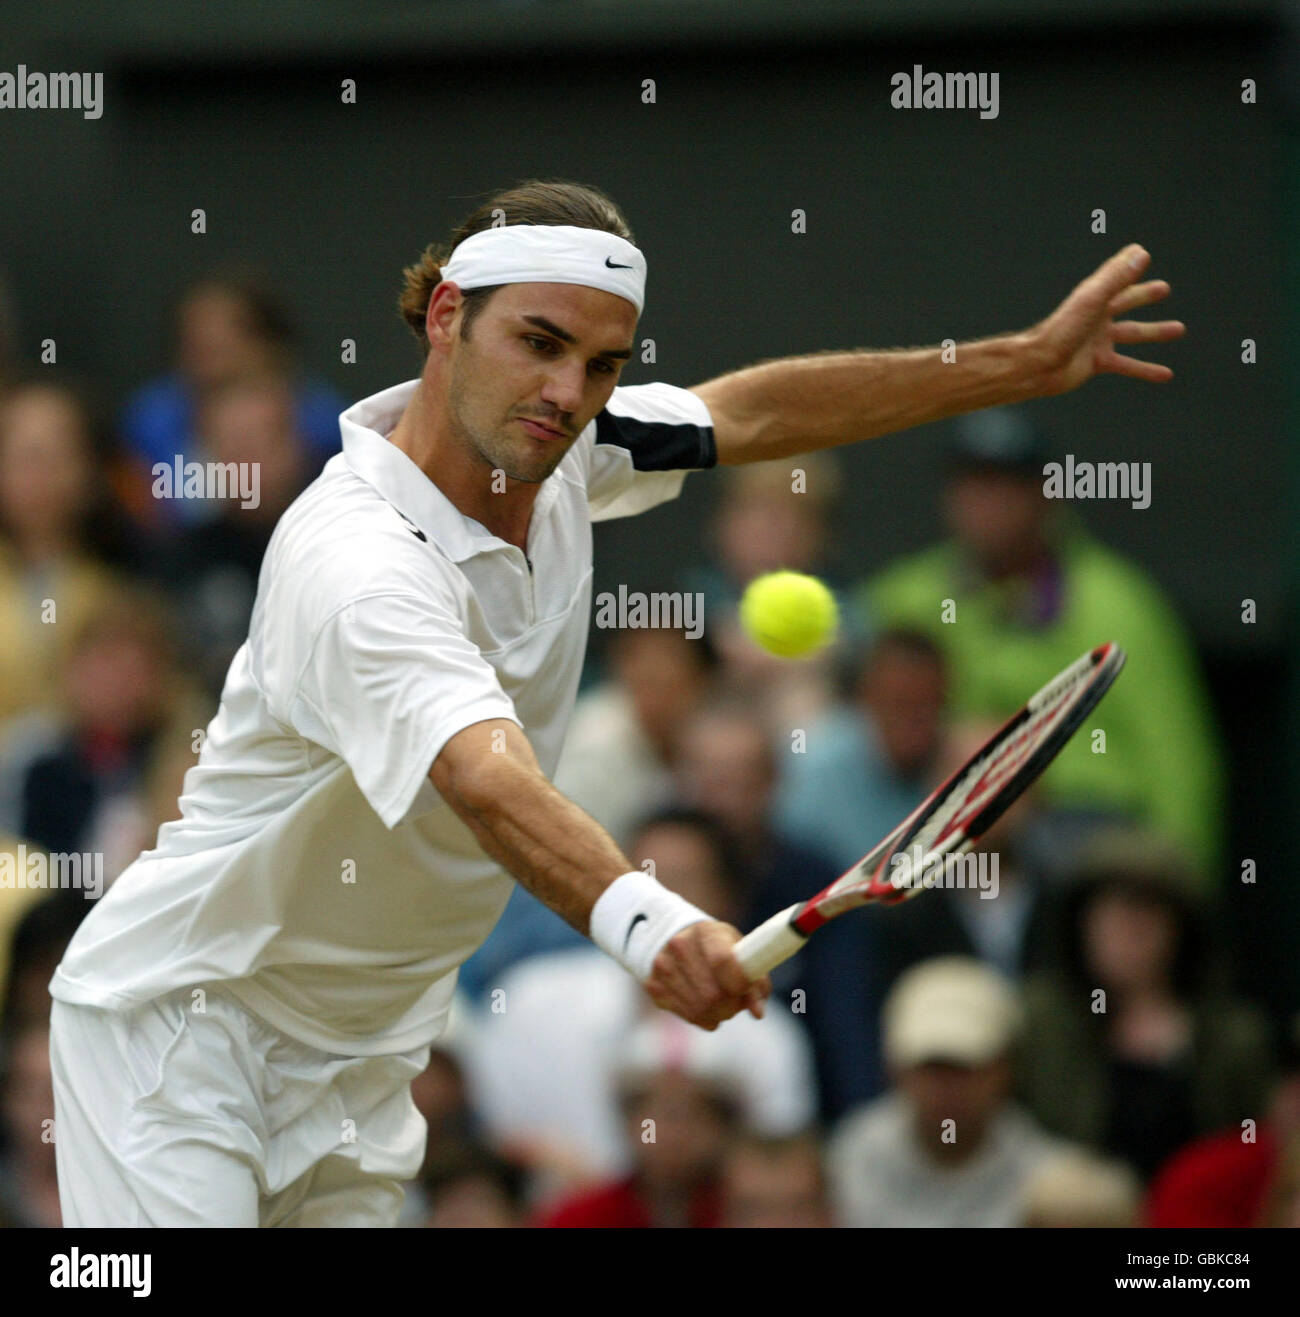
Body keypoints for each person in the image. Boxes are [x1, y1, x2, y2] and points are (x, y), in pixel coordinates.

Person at [46, 177, 1184, 1228]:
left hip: (358, 1060)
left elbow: (753, 411)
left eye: (601, 363)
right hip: (185, 1035)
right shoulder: (356, 567)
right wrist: (656, 927)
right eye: (537, 344)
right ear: (444, 316)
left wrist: (1020, 363)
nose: (567, 395)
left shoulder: (568, 452)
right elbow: (486, 779)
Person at [859, 406, 1224, 885]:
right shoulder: (905, 596)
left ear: (1047, 497)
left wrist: (1179, 886)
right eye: (974, 485)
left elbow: (1176, 759)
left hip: (1086, 830)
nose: (988, 505)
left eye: (1007, 486)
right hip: (936, 830)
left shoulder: (1119, 603)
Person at [1018, 830, 1273, 1181]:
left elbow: (1254, 1157)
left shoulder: (1232, 1035)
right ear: (1079, 924)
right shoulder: (1038, 1019)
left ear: (1181, 930)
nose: (1124, 931)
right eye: (1108, 914)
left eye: (1144, 916)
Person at [827, 957, 1070, 1228]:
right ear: (895, 1069)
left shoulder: (1057, 1185)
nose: (946, 1089)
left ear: (1004, 1070)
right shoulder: (840, 1169)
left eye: (964, 1068)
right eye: (931, 1068)